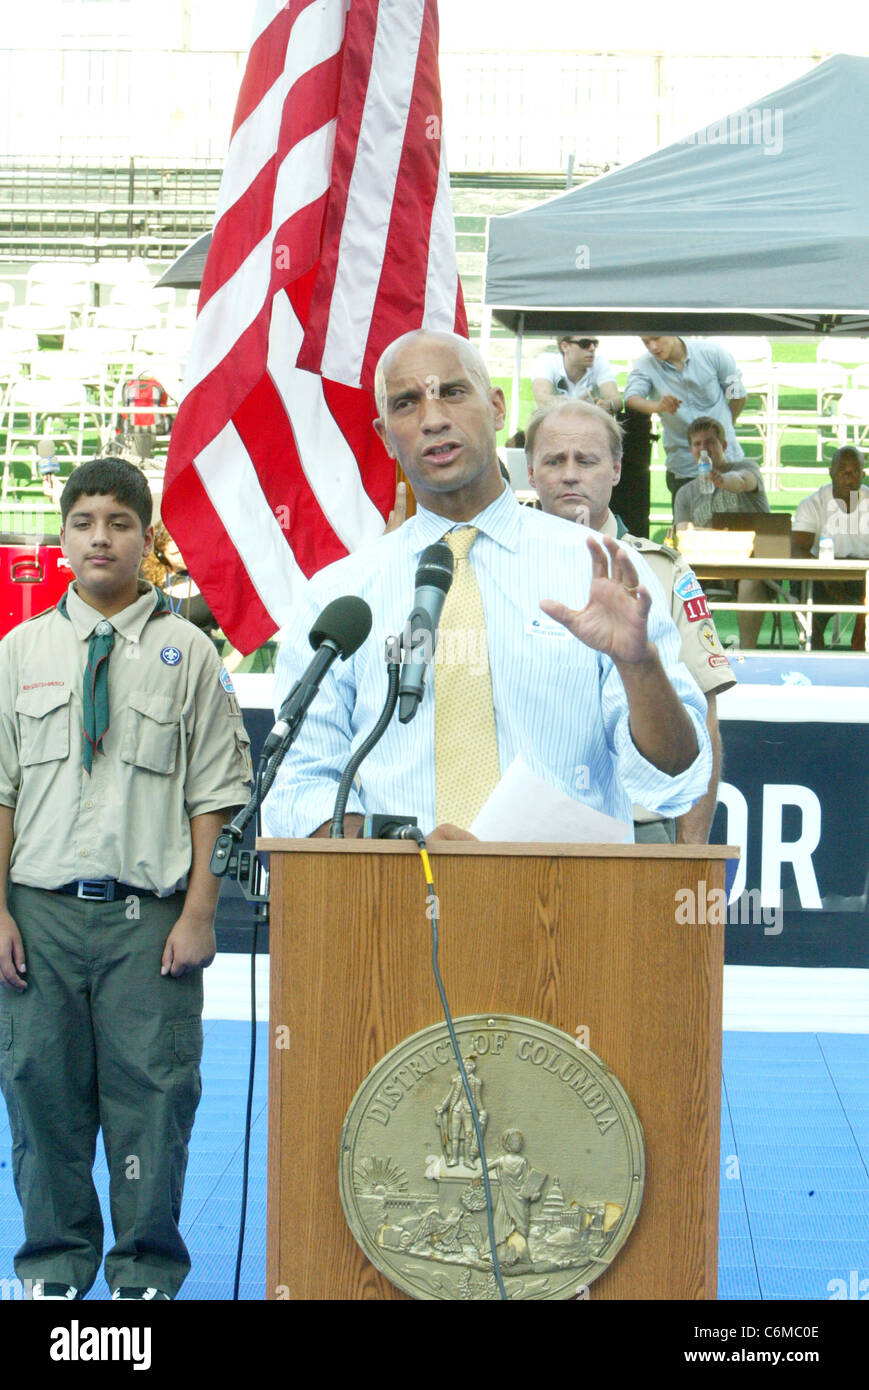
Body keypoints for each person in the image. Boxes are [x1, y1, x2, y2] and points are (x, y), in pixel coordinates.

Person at [262, 330, 712, 843]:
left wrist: (640, 667)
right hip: (393, 905)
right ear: (385, 435)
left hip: (563, 909)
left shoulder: (598, 571)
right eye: (407, 403)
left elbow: (674, 782)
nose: (433, 419)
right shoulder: (343, 596)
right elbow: (298, 784)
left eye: (452, 392)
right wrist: (396, 851)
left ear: (497, 407)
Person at [0, 457, 252, 1302]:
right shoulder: (20, 651)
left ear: (148, 540)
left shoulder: (190, 653)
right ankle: (55, 1265)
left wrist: (201, 915)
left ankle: (145, 1271)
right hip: (39, 913)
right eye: (83, 522)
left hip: (150, 918)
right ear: (62, 536)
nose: (99, 537)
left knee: (155, 1095)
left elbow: (216, 795)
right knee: (40, 1091)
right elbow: (0, 794)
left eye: (118, 522)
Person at [524, 398, 735, 844]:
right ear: (530, 473)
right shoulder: (499, 570)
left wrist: (691, 853)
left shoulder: (662, 571)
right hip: (523, 828)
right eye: (554, 460)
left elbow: (705, 715)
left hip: (638, 828)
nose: (569, 474)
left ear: (617, 469)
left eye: (586, 460)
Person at [675, 416, 770, 650]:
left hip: (754, 563)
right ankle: (695, 655)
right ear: (691, 450)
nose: (703, 448)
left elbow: (741, 482)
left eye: (710, 442)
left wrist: (722, 480)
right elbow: (682, 535)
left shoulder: (748, 468)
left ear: (724, 446)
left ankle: (749, 653)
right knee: (677, 579)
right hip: (709, 567)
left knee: (750, 580)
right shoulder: (685, 494)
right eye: (697, 444)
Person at [625, 336, 747, 505]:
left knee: (736, 525)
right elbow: (631, 398)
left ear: (672, 333)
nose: (653, 347)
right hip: (684, 466)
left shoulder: (713, 353)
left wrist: (724, 428)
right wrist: (657, 406)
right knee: (685, 527)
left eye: (656, 339)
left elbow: (738, 396)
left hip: (727, 460)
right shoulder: (644, 365)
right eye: (646, 342)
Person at [790, 446, 869, 650]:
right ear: (831, 472)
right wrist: (825, 575)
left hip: (864, 572)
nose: (848, 478)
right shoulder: (812, 504)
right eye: (843, 470)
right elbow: (798, 550)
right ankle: (814, 654)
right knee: (800, 590)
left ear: (863, 474)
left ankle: (861, 650)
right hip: (820, 571)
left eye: (854, 472)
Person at [531, 335, 622, 415]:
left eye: (595, 343)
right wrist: (583, 404)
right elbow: (542, 399)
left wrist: (609, 405)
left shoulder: (599, 362)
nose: (592, 348)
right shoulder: (547, 361)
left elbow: (617, 400)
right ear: (565, 347)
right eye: (585, 343)